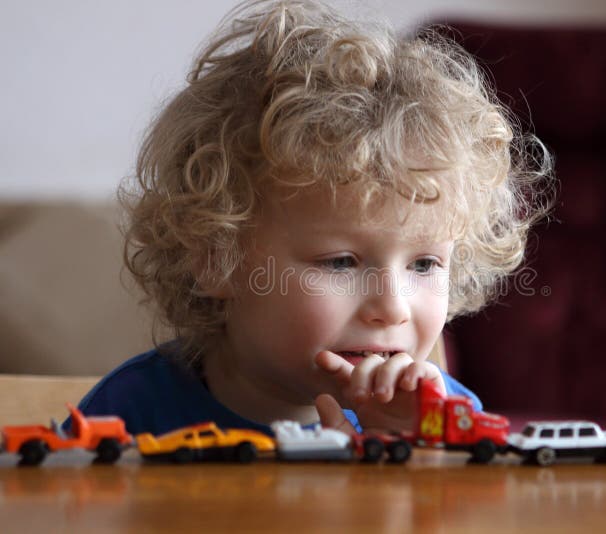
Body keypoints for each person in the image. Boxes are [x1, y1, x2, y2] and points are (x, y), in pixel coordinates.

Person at [71, 0, 552, 436]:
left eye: (424, 264)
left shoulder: (442, 417)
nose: (393, 308)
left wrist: (410, 459)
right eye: (342, 262)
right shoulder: (130, 413)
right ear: (216, 258)